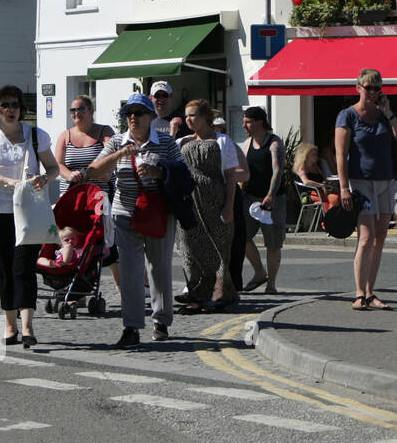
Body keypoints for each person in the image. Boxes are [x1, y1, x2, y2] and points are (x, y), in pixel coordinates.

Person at [0, 85, 59, 349]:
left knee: (24, 268)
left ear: (22, 109)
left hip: (28, 211)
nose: (10, 110)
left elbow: (53, 167)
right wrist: (5, 181)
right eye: (5, 105)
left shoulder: (36, 136)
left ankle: (28, 326)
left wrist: (45, 177)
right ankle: (10, 325)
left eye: (15, 105)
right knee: (5, 268)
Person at [89, 93, 181, 348]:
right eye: (129, 113)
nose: (133, 117)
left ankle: (161, 320)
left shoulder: (165, 141)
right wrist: (118, 156)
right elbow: (94, 170)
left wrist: (159, 171)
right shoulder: (118, 141)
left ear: (150, 116)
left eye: (139, 112)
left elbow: (182, 172)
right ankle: (131, 327)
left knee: (159, 268)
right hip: (125, 212)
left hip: (158, 211)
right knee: (129, 272)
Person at [335, 68, 397, 310]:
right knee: (366, 237)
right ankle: (358, 293)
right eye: (369, 88)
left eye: (377, 88)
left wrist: (388, 113)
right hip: (360, 183)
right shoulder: (347, 116)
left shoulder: (382, 116)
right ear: (358, 87)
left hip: (386, 181)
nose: (373, 92)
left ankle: (370, 291)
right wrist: (344, 188)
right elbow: (340, 154)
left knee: (380, 237)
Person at [175, 99, 244, 311]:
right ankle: (196, 294)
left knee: (218, 249)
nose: (189, 119)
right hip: (189, 202)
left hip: (216, 200)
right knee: (190, 248)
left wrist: (229, 206)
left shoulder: (222, 140)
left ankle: (222, 293)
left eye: (193, 115)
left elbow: (232, 175)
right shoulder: (181, 142)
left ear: (205, 117)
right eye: (187, 115)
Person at [53, 94, 120, 289]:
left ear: (91, 111)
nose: (76, 113)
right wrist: (69, 175)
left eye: (81, 109)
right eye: (73, 110)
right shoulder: (65, 136)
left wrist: (93, 173)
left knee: (108, 248)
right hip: (72, 200)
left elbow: (111, 156)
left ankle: (124, 291)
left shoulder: (103, 132)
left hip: (98, 200)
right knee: (75, 246)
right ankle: (77, 292)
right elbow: (57, 164)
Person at [239, 106, 286, 295]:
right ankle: (260, 272)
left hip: (273, 200)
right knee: (241, 237)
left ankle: (271, 284)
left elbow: (278, 170)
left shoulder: (274, 143)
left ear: (259, 122)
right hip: (249, 198)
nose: (244, 125)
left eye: (248, 122)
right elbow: (243, 172)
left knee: (273, 242)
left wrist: (270, 194)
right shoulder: (246, 144)